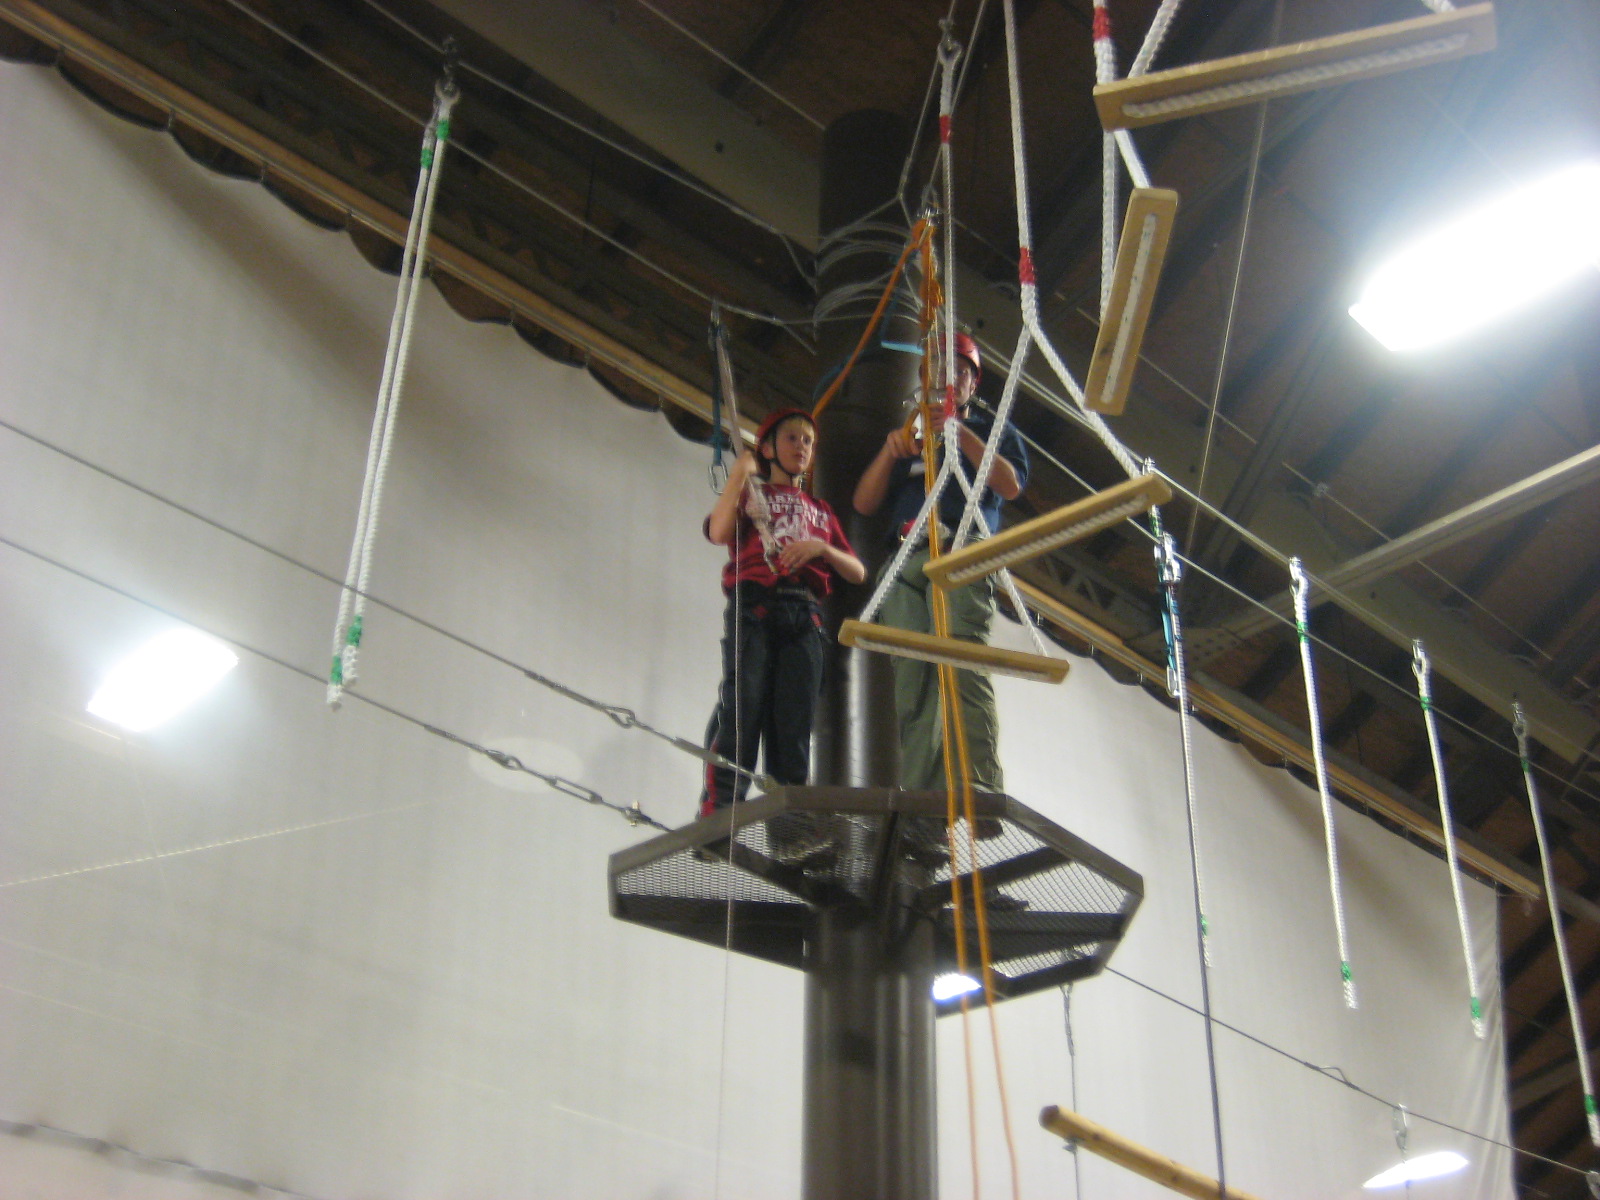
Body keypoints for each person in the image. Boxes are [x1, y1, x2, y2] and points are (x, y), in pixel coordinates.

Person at [851, 333, 1028, 796]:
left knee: (961, 660)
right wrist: (891, 451)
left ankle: (980, 783)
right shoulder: (909, 435)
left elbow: (1009, 485)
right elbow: (865, 503)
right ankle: (922, 800)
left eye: (963, 372)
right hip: (905, 556)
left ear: (974, 385)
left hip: (959, 546)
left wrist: (959, 432)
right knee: (913, 684)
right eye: (942, 369)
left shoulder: (993, 431)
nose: (952, 378)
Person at [700, 408, 865, 817]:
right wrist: (741, 471)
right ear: (770, 447)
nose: (802, 448)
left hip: (804, 613)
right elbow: (719, 532)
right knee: (744, 706)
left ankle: (788, 826)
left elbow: (857, 572)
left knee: (793, 725)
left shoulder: (820, 511)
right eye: (792, 439)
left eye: (808, 441)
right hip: (756, 602)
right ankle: (721, 809)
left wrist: (822, 548)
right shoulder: (753, 498)